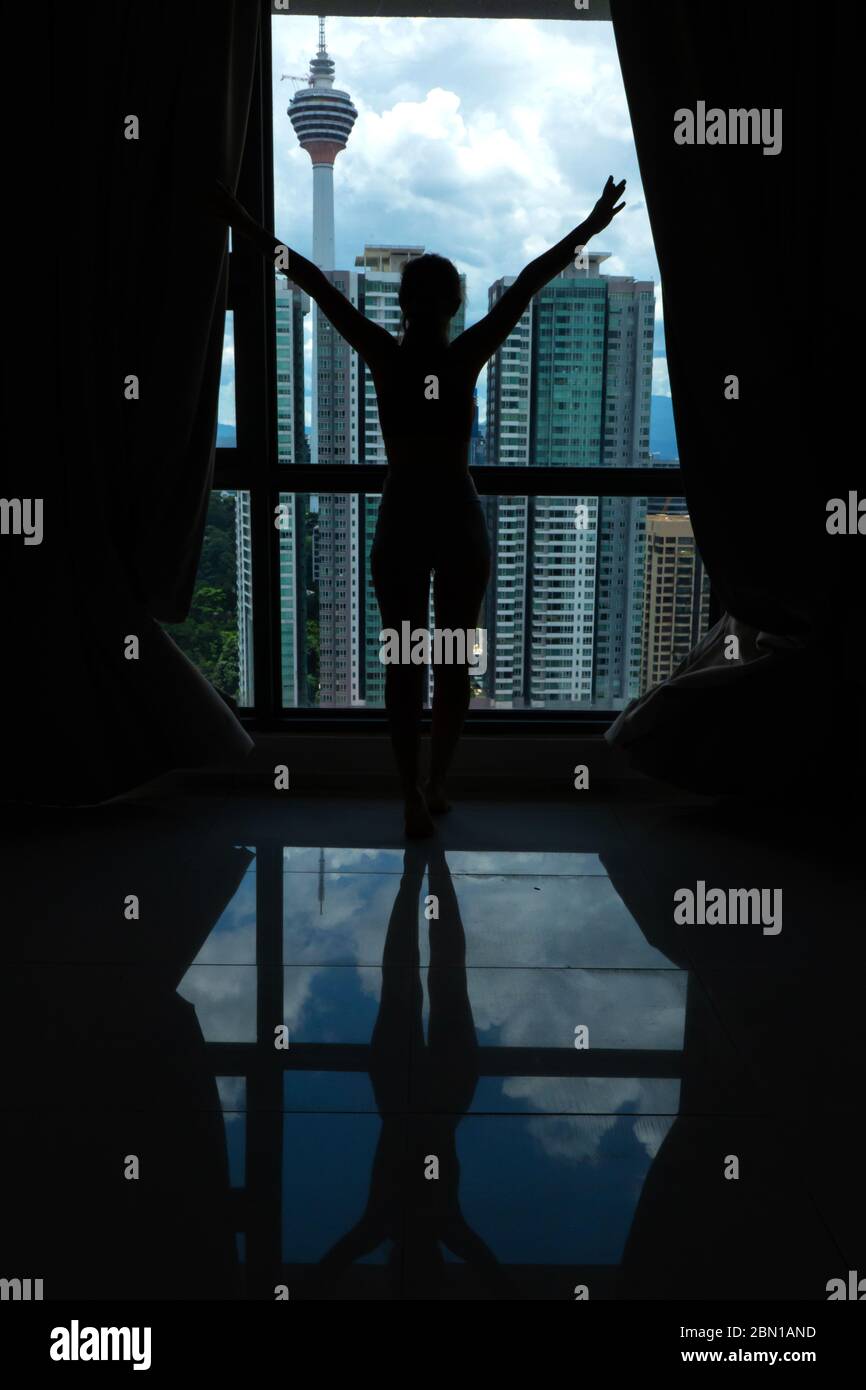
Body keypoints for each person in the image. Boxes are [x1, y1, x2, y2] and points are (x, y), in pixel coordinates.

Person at [209, 175, 626, 835]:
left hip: (403, 516)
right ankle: (436, 783)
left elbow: (311, 278)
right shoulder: (465, 355)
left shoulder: (384, 355)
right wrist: (587, 228)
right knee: (453, 661)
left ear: (402, 305)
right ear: (455, 304)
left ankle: (411, 792)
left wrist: (242, 221)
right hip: (457, 518)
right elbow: (527, 283)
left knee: (405, 664)